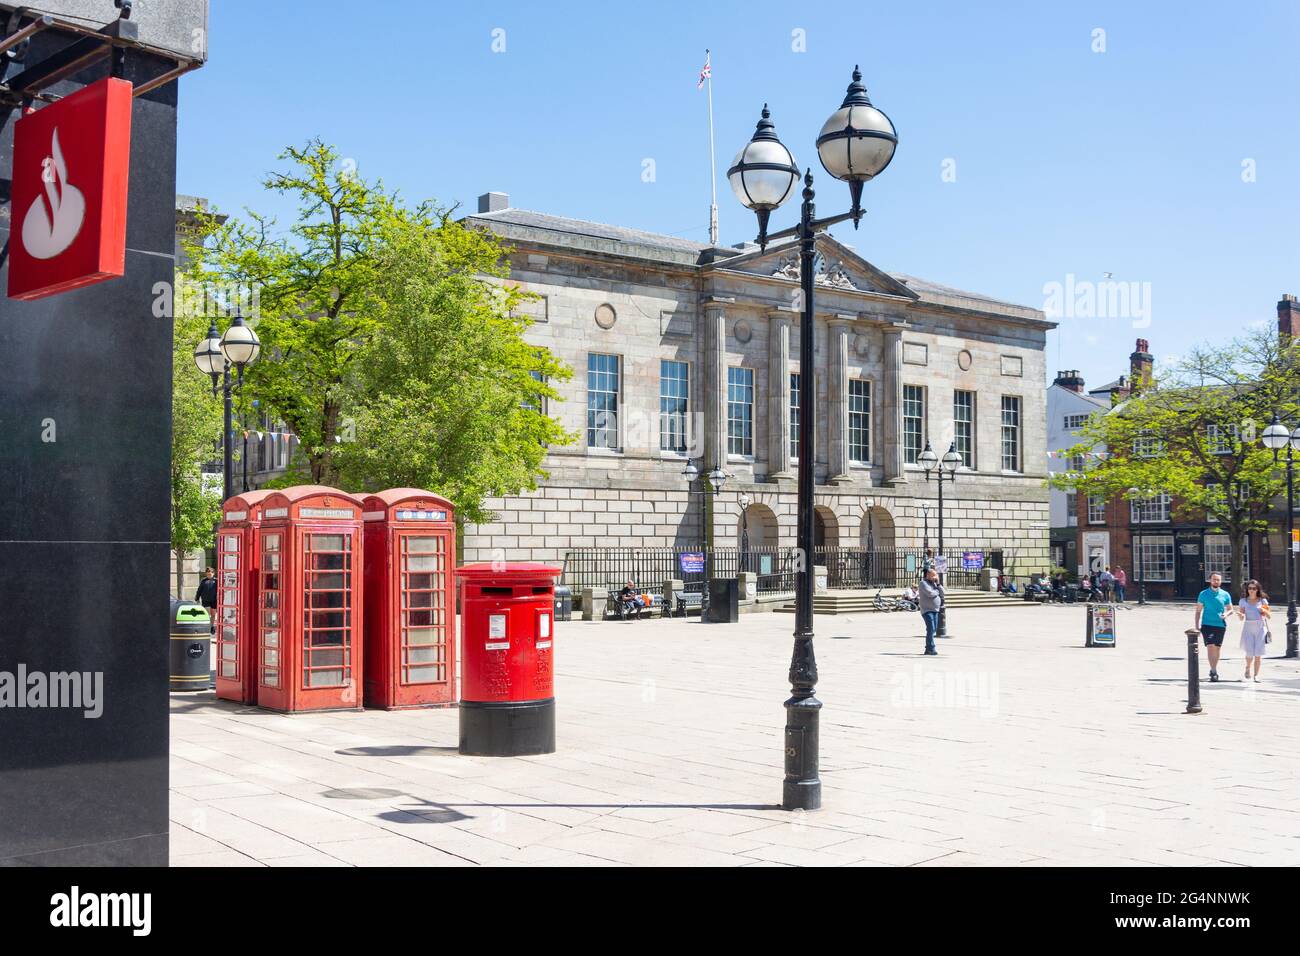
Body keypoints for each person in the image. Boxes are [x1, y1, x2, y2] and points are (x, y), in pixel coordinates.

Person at [1194, 571, 1233, 683]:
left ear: (1221, 581)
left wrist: (1226, 614)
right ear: (1210, 580)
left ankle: (1213, 668)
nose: (1216, 581)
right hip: (1207, 624)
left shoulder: (1225, 594)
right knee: (1210, 646)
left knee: (1217, 647)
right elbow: (1198, 611)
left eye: (1218, 579)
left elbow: (1231, 609)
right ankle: (1214, 671)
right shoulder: (1203, 594)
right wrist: (1197, 626)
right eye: (1214, 579)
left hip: (1220, 625)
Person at [1236, 580, 1271, 682]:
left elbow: (1269, 616)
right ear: (1247, 589)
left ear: (1257, 589)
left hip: (1260, 627)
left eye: (1254, 588)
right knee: (1249, 653)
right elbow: (1242, 617)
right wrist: (1241, 615)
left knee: (1258, 653)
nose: (1251, 590)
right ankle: (1247, 668)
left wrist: (1264, 610)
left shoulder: (1262, 601)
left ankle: (1256, 675)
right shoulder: (1243, 601)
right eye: (1250, 588)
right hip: (1248, 627)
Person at [918, 567, 943, 656]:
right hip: (927, 610)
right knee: (931, 628)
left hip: (935, 610)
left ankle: (929, 647)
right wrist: (937, 591)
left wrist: (938, 584)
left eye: (936, 575)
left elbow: (943, 593)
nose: (935, 576)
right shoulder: (923, 583)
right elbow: (930, 594)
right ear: (928, 575)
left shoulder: (935, 584)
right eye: (934, 575)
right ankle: (930, 648)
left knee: (933, 629)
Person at [195, 566, 218, 632]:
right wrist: (197, 597)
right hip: (205, 600)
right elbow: (199, 590)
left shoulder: (216, 581)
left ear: (213, 573)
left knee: (213, 615)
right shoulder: (203, 581)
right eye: (207, 574)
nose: (209, 575)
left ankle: (211, 626)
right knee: (207, 614)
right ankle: (207, 627)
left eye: (210, 574)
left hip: (214, 600)